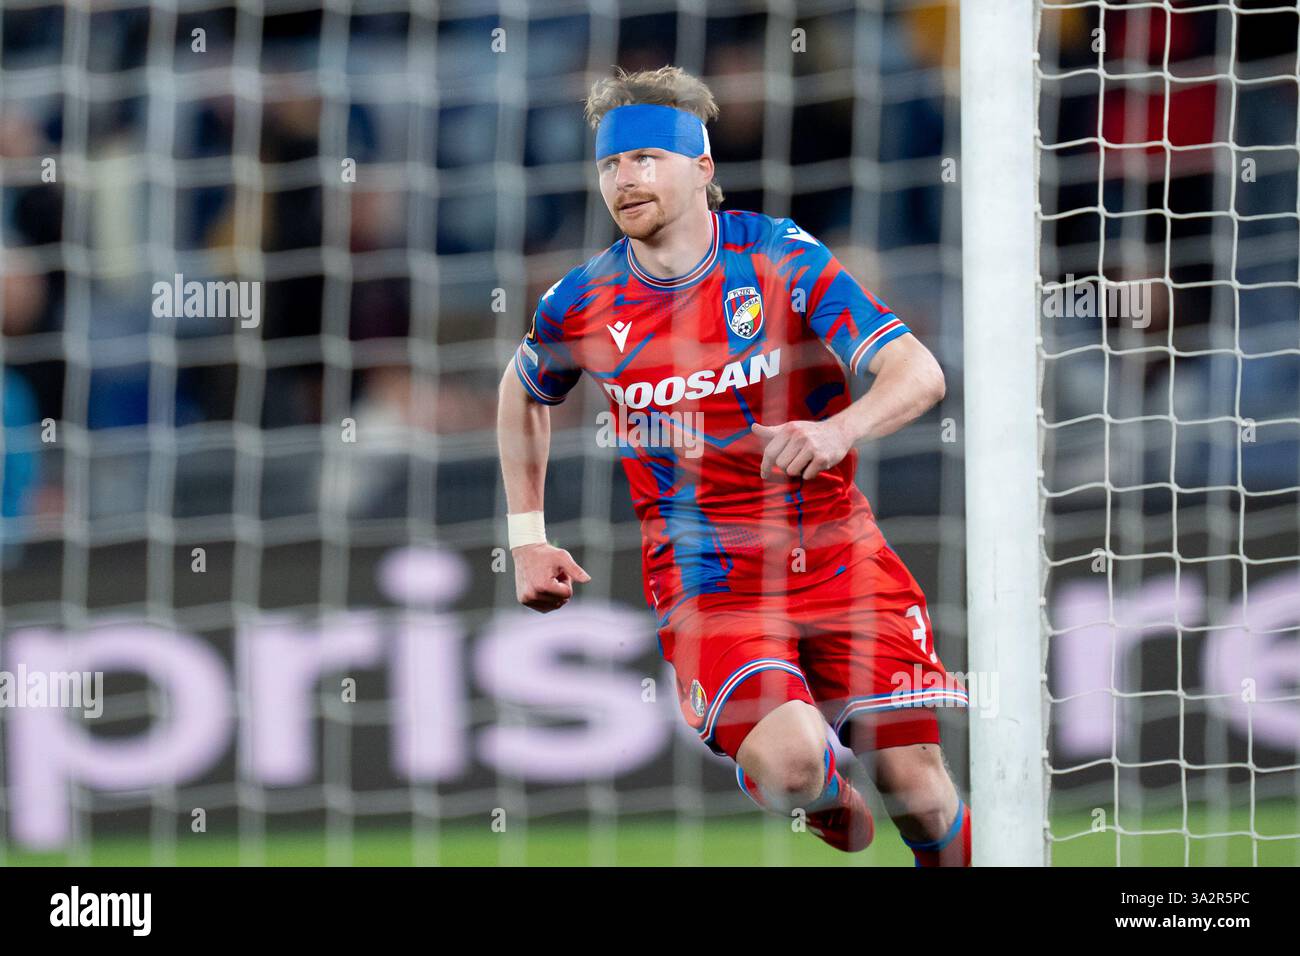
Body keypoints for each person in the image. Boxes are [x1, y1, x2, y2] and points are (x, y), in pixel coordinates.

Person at [496, 66, 970, 865]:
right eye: (611, 164)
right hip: (707, 571)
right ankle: (816, 794)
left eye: (647, 157)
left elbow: (918, 372)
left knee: (918, 788)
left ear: (702, 168)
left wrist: (836, 430)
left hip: (833, 546)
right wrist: (527, 535)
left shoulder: (780, 258)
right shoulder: (583, 301)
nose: (625, 178)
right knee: (792, 764)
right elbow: (521, 392)